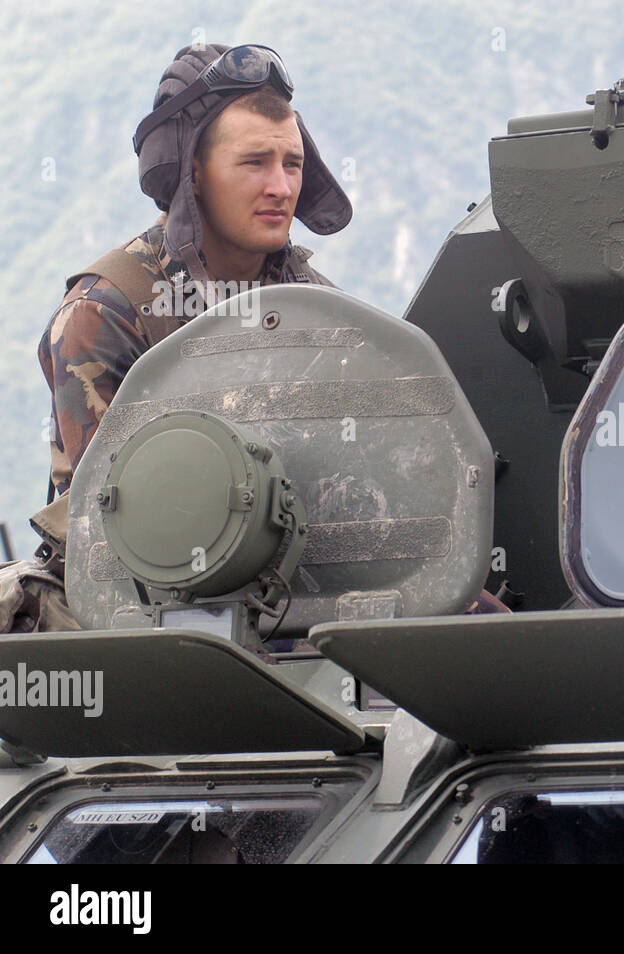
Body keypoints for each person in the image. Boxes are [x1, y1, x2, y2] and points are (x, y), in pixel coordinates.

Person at [11, 43, 503, 633]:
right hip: (152, 610)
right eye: (254, 164)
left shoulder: (311, 302)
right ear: (193, 172)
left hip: (303, 591)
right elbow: (116, 540)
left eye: (291, 164)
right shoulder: (108, 312)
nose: (280, 187)